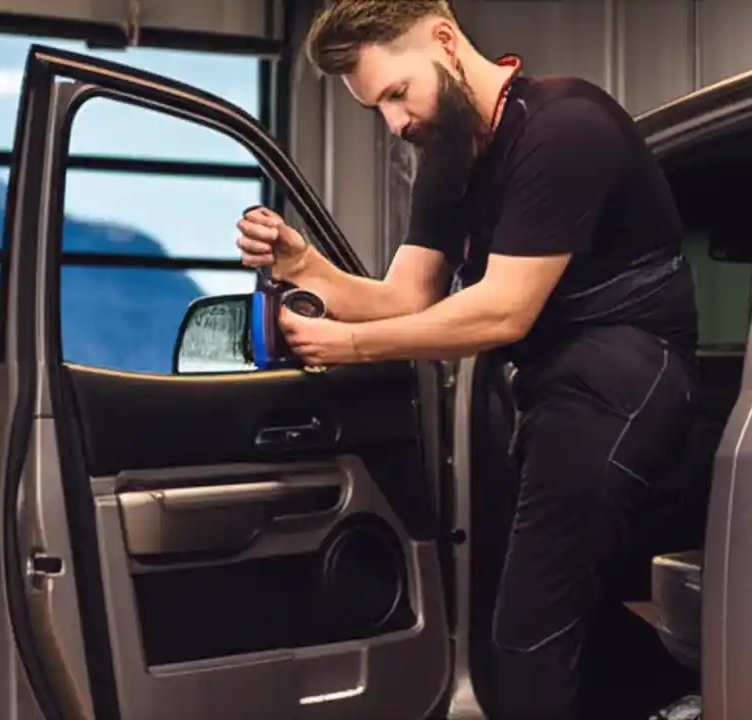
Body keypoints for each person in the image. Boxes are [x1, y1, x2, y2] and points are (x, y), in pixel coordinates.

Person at [235, 1, 701, 719]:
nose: (394, 123)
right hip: (550, 389)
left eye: (396, 93)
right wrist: (306, 266)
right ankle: (689, 701)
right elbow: (406, 297)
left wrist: (349, 347)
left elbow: (500, 310)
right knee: (537, 617)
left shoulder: (565, 126)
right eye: (376, 109)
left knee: (524, 646)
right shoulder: (449, 153)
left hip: (624, 375)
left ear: (446, 41)